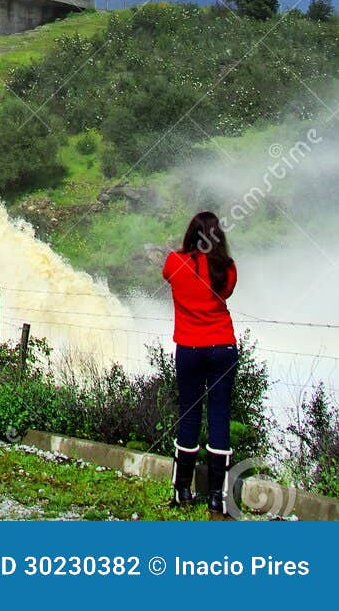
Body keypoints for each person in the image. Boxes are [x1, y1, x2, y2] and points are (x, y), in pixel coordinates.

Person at [162, 211, 238, 518]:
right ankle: (216, 498)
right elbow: (227, 292)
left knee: (189, 413)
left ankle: (182, 490)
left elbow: (167, 274)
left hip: (190, 347)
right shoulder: (227, 269)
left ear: (191, 234)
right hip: (223, 347)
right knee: (219, 415)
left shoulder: (174, 263)